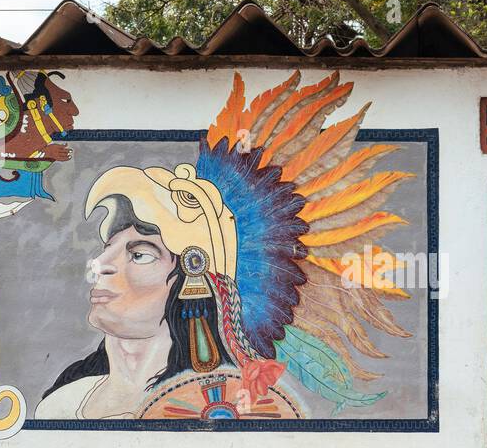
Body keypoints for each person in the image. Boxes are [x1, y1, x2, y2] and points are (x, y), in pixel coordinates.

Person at [37, 162, 301, 420]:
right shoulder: (61, 404)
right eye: (108, 248)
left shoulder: (228, 409)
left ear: (191, 283)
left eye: (139, 255)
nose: (102, 265)